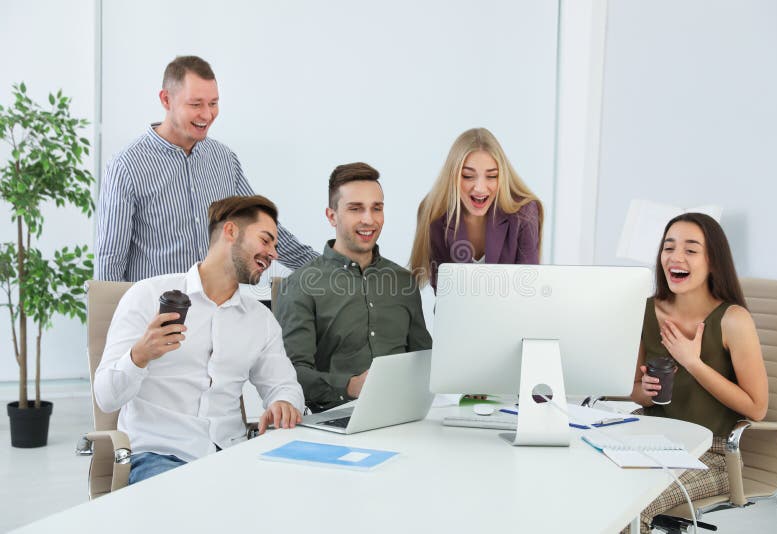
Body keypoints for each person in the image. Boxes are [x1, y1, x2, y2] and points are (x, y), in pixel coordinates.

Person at [95, 195, 304, 484]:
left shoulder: (260, 320)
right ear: (230, 232)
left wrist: (284, 402)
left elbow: (284, 386)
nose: (273, 254)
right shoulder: (146, 296)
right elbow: (106, 398)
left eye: (275, 246)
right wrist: (139, 355)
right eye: (266, 240)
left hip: (232, 457)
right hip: (159, 457)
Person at [95, 55, 317, 282]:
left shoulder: (224, 160)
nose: (207, 114)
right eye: (195, 104)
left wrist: (326, 269)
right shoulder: (127, 166)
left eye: (213, 103)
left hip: (217, 308)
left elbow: (263, 226)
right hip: (156, 312)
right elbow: (110, 260)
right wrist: (113, 316)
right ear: (166, 100)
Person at [628, 212, 768, 533]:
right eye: (669, 247)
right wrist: (642, 390)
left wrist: (693, 363)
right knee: (592, 493)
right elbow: (631, 387)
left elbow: (757, 408)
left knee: (633, 508)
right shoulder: (646, 310)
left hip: (711, 455)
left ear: (713, 262)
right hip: (647, 442)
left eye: (691, 250)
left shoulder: (733, 320)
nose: (676, 257)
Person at [274, 162, 432, 412]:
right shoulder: (299, 286)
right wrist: (350, 386)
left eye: (376, 208)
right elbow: (288, 375)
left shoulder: (403, 282)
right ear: (331, 216)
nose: (368, 219)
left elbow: (425, 358)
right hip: (332, 421)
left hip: (404, 416)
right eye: (355, 209)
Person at [409, 127, 543, 291]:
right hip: (457, 315)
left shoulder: (524, 213)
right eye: (467, 176)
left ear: (502, 177)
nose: (480, 188)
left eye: (492, 176)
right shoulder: (435, 213)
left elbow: (529, 288)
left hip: (512, 315)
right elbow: (444, 293)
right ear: (453, 177)